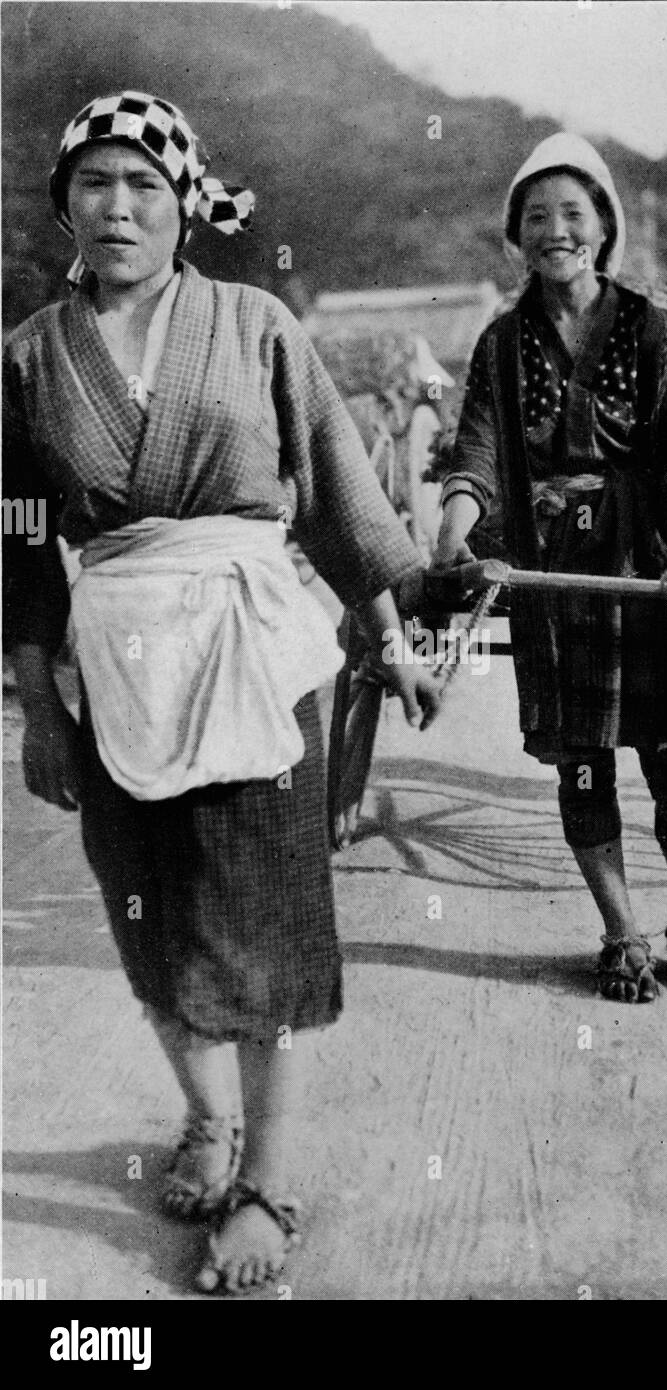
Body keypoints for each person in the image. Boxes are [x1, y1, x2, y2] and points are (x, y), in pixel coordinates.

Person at [2, 90, 440, 1295]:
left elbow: (345, 489)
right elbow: (22, 548)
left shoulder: (251, 324)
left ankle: (265, 1179)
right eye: (94, 181)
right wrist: (40, 704)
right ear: (65, 205)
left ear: (185, 204)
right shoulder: (30, 359)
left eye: (144, 183)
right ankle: (204, 1114)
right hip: (118, 665)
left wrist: (392, 635)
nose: (119, 205)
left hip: (253, 648)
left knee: (263, 917)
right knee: (145, 907)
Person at [431, 133, 667, 1004]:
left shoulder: (647, 326)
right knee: (585, 760)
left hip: (653, 566)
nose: (554, 229)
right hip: (558, 578)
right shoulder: (500, 342)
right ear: (517, 237)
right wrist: (453, 538)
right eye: (536, 216)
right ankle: (620, 928)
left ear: (602, 227)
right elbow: (478, 453)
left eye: (572, 213)